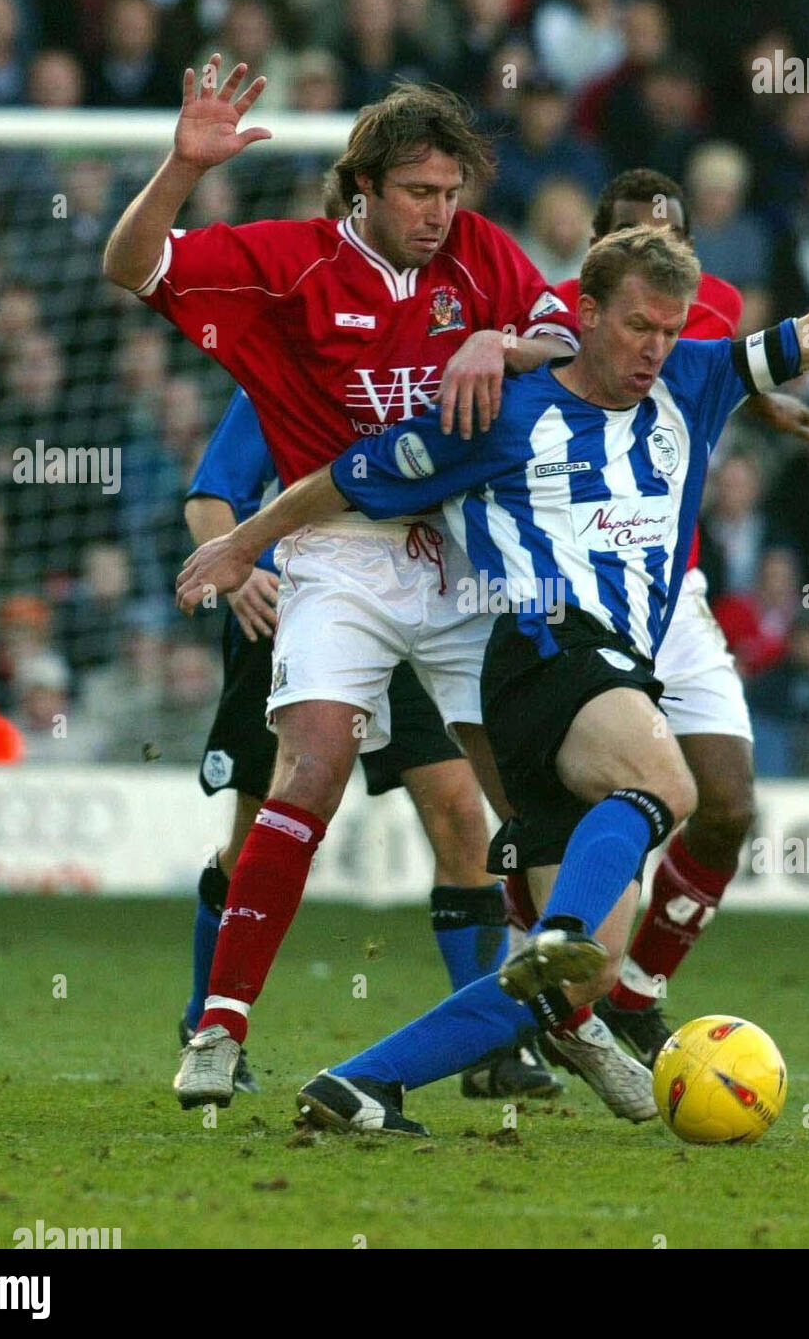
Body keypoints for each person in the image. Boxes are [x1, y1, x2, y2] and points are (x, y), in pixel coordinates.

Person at [177, 217, 809, 1134]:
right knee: (664, 783)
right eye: (638, 325)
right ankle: (523, 944)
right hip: (543, 648)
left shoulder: (696, 380)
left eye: (671, 329)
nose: (654, 349)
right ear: (583, 312)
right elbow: (354, 474)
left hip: (598, 675)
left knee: (585, 972)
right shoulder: (502, 412)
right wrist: (242, 543)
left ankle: (364, 1081)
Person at [101, 63, 593, 1110]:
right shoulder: (286, 265)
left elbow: (565, 337)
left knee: (527, 790)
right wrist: (182, 167)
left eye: (450, 192)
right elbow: (131, 265)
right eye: (418, 192)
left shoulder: (480, 257)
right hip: (334, 551)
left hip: (464, 552)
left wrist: (494, 338)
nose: (438, 213)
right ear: (360, 188)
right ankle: (219, 1030)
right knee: (310, 768)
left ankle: (567, 1019)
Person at [181, 386, 558, 1098]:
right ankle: (208, 1018)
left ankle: (491, 1047)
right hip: (300, 601)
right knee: (261, 824)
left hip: (424, 598)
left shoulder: (439, 365)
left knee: (459, 813)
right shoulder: (294, 363)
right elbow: (212, 493)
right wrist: (237, 576)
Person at [550, 167, 809, 1068]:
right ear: (596, 251)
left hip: (676, 592)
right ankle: (536, 1004)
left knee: (727, 804)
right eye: (634, 234)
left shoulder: (712, 307)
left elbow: (712, 375)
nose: (660, 252)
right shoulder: (554, 314)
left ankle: (635, 997)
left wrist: (757, 399)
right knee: (574, 817)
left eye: (675, 237)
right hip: (570, 604)